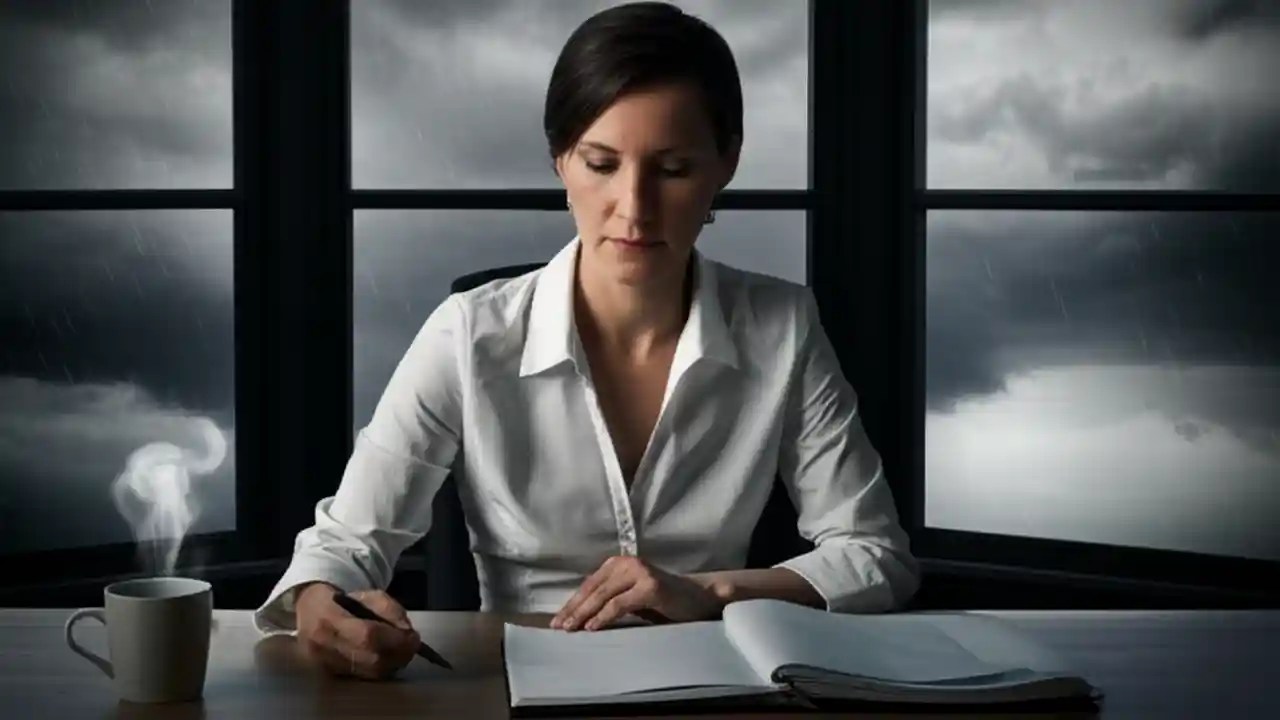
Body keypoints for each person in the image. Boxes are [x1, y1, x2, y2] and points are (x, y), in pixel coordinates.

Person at [254, 1, 918, 680]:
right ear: (560, 160)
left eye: (673, 170)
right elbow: (344, 543)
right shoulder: (468, 333)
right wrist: (320, 603)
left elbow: (876, 554)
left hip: (712, 686)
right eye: (601, 163)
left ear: (726, 164)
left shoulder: (783, 326)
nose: (634, 209)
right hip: (514, 688)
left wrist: (710, 591)